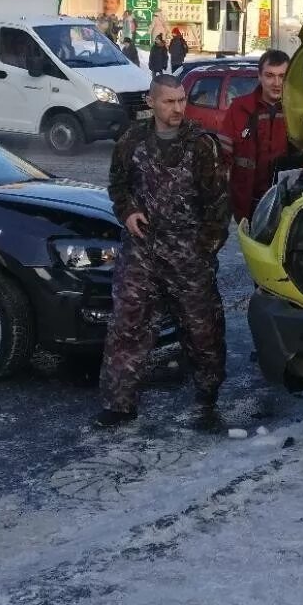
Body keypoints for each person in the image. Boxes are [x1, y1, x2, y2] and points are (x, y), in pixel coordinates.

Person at [96, 76, 229, 432]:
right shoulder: (131, 140)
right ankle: (118, 403)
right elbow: (117, 185)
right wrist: (126, 212)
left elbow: (217, 204)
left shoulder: (201, 145)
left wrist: (206, 249)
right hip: (142, 249)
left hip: (188, 252)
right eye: (169, 102)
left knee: (202, 328)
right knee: (128, 323)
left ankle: (208, 391)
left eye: (182, 100)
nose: (178, 108)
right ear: (151, 103)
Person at [219, 49, 290, 223]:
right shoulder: (239, 109)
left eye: (282, 76)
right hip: (249, 206)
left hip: (289, 206)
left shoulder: (297, 112)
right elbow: (222, 160)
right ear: (259, 76)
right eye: (270, 75)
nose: (276, 82)